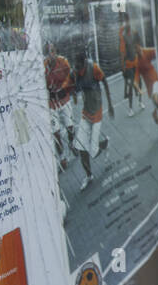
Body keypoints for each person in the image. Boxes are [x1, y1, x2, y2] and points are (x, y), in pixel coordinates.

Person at [70, 49, 113, 191]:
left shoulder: (94, 68)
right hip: (86, 113)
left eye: (78, 66)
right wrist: (73, 93)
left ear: (83, 63)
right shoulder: (75, 72)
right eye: (74, 66)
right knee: (81, 147)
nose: (76, 69)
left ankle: (105, 144)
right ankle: (89, 176)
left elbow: (105, 82)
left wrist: (111, 104)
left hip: (97, 111)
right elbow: (74, 88)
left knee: (93, 151)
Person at [44, 43, 75, 171]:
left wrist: (66, 88)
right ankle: (62, 157)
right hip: (51, 105)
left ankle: (72, 144)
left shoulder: (63, 62)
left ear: (56, 51)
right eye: (48, 52)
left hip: (64, 101)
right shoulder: (43, 67)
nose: (51, 54)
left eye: (53, 51)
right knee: (55, 133)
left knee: (70, 127)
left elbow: (72, 78)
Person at [118, 15, 140, 116]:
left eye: (127, 21)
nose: (126, 24)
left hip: (136, 62)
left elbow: (138, 45)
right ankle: (130, 108)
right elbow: (122, 52)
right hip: (128, 65)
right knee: (130, 86)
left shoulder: (134, 32)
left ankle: (140, 101)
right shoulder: (122, 36)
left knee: (139, 83)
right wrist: (122, 67)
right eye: (124, 22)